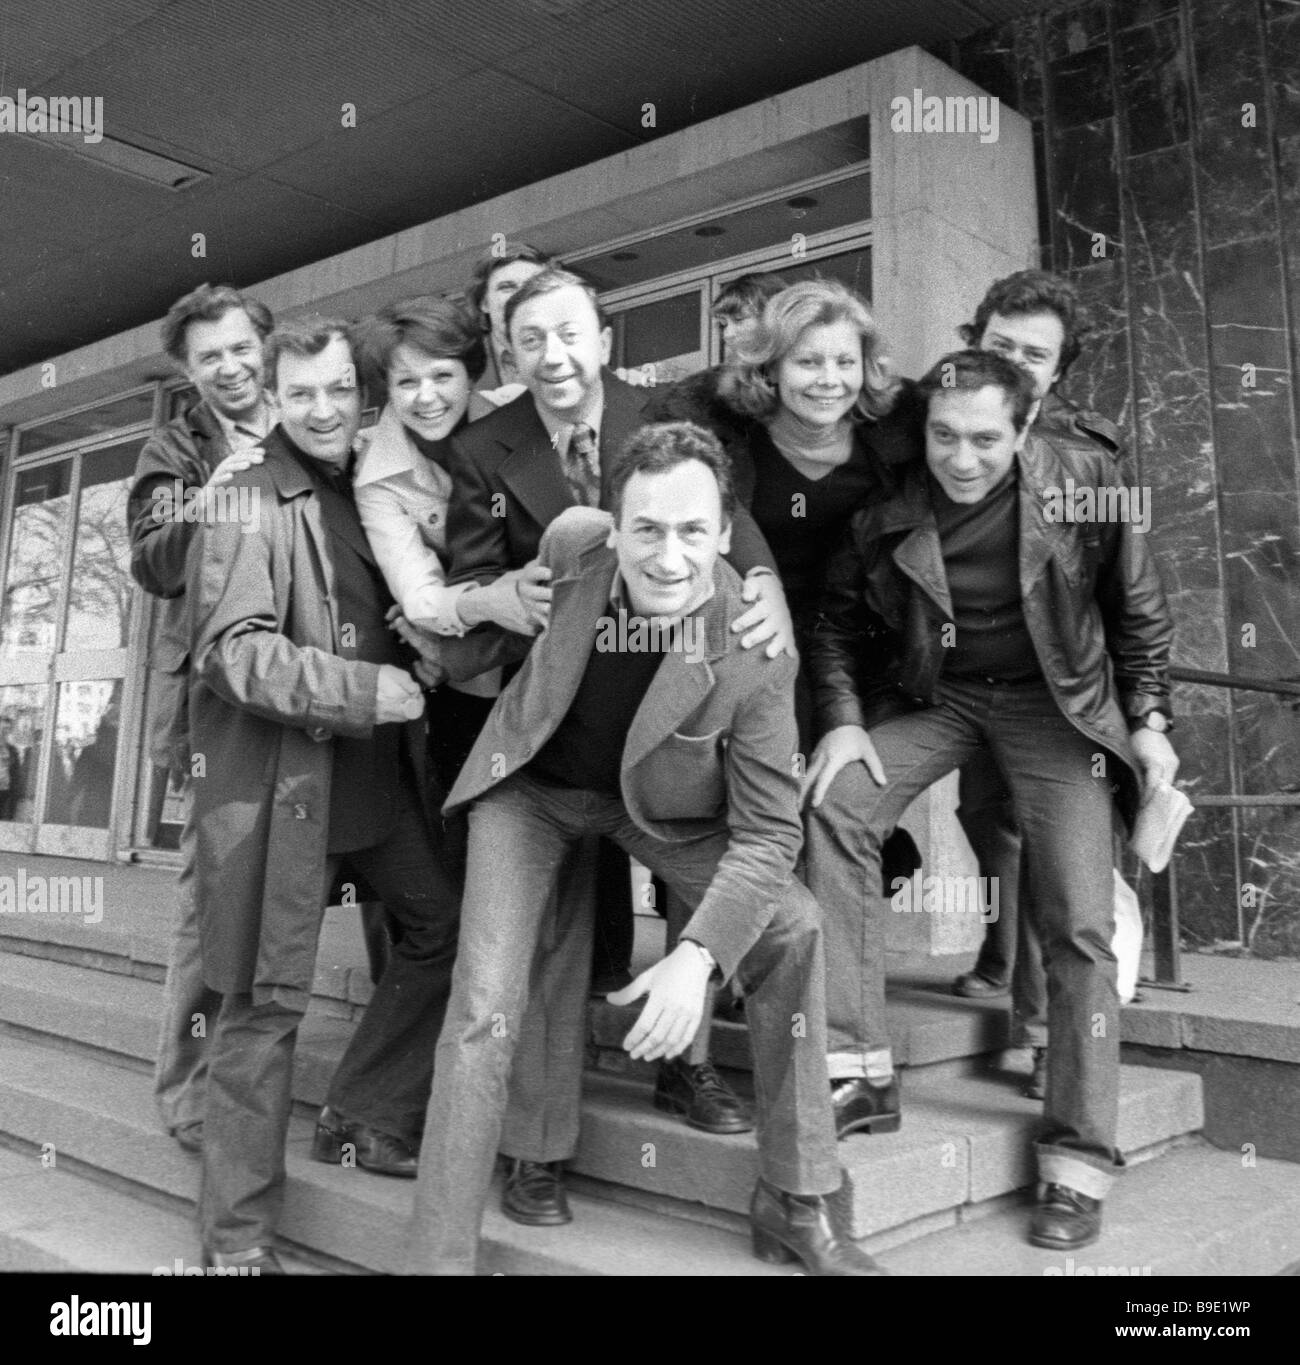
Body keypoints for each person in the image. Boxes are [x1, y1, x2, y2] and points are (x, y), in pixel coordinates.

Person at [404, 421, 883, 1277]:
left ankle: (797, 1195)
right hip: (533, 793)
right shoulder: (573, 543)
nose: (669, 557)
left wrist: (697, 955)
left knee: (795, 924)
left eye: (693, 531)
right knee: (483, 1003)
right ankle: (437, 1255)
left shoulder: (755, 643)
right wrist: (483, 603)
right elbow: (525, 605)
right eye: (648, 531)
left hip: (658, 812)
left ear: (726, 533)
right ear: (612, 526)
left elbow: (772, 832)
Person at [801, 349, 1177, 1250]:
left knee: (1080, 921)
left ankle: (1078, 1162)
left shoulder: (1090, 481)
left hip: (1061, 710)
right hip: (945, 698)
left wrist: (1153, 717)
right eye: (943, 436)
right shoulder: (890, 503)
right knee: (838, 802)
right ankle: (859, 1065)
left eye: (983, 440)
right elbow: (834, 626)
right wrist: (845, 719)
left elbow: (1138, 609)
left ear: (1023, 429)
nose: (960, 458)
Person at [426, 266, 796, 1151]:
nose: (551, 356)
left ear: (603, 339)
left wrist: (768, 585)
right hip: (555, 720)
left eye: (568, 334)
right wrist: (502, 598)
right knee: (548, 942)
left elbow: (722, 521)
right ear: (507, 355)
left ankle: (688, 1061)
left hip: (671, 707)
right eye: (528, 340)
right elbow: (474, 583)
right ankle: (535, 1147)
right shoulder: (485, 449)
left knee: (718, 868)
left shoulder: (667, 416)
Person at [186, 318, 462, 1272]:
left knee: (442, 929)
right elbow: (229, 652)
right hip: (285, 793)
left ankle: (358, 1113)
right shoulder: (243, 501)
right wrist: (360, 689)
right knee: (263, 1013)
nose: (323, 408)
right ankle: (237, 1244)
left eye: (339, 388)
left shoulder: (370, 484)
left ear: (362, 392)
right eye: (300, 393)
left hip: (378, 788)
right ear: (273, 396)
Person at [950, 269, 1133, 1103]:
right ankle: (999, 949)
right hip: (957, 685)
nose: (1017, 364)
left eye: (1035, 353)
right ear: (972, 342)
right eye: (1000, 347)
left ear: (1058, 370)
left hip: (1056, 694)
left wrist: (1145, 711)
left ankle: (1042, 1032)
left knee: (1045, 855)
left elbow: (1128, 599)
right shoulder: (937, 427)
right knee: (985, 819)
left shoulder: (1088, 460)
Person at [126, 282, 276, 1158]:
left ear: (265, 344)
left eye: (238, 348)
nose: (228, 367)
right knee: (211, 903)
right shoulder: (173, 445)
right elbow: (150, 562)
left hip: (310, 692)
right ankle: (187, 1087)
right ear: (190, 370)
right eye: (208, 356)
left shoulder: (308, 420)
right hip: (215, 710)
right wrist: (208, 493)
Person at [349, 295, 500, 823]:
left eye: (442, 376)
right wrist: (498, 601)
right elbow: (419, 594)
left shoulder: (520, 423)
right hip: (466, 677)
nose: (427, 397)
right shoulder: (377, 476)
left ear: (470, 373)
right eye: (406, 383)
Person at [465, 240, 552, 408]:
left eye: (531, 286)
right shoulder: (462, 365)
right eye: (507, 287)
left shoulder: (574, 355)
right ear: (484, 302)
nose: (520, 296)